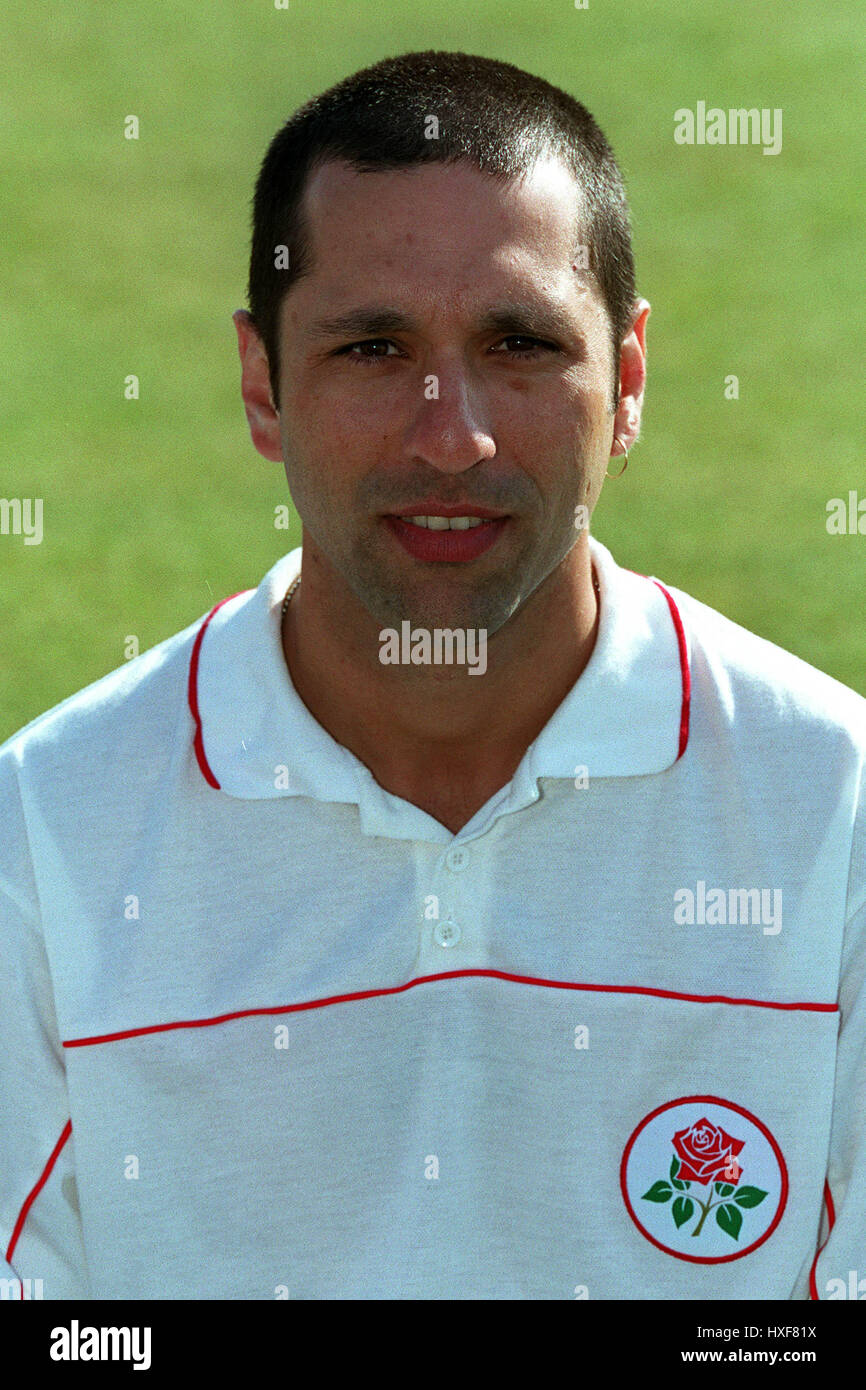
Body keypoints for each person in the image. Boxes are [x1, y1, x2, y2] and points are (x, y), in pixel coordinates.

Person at [1, 50, 863, 1301]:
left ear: (623, 381)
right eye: (369, 347)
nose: (449, 433)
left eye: (518, 344)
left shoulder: (833, 812)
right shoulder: (43, 835)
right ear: (261, 385)